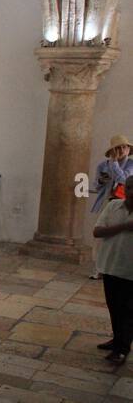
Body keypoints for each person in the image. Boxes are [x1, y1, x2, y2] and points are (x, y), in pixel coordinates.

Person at [93, 186, 133, 365]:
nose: (131, 191)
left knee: (129, 311)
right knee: (114, 307)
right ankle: (117, 340)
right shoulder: (113, 206)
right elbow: (98, 231)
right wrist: (125, 226)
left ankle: (122, 348)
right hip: (111, 266)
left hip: (130, 270)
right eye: (129, 187)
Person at [90, 135, 131, 280]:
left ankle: (117, 268)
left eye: (124, 147)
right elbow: (97, 184)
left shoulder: (131, 165)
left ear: (128, 149)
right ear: (112, 150)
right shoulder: (102, 165)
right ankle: (98, 268)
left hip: (124, 204)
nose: (121, 150)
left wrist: (114, 164)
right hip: (106, 202)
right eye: (117, 147)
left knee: (120, 237)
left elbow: (124, 181)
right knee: (100, 236)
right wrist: (102, 180)